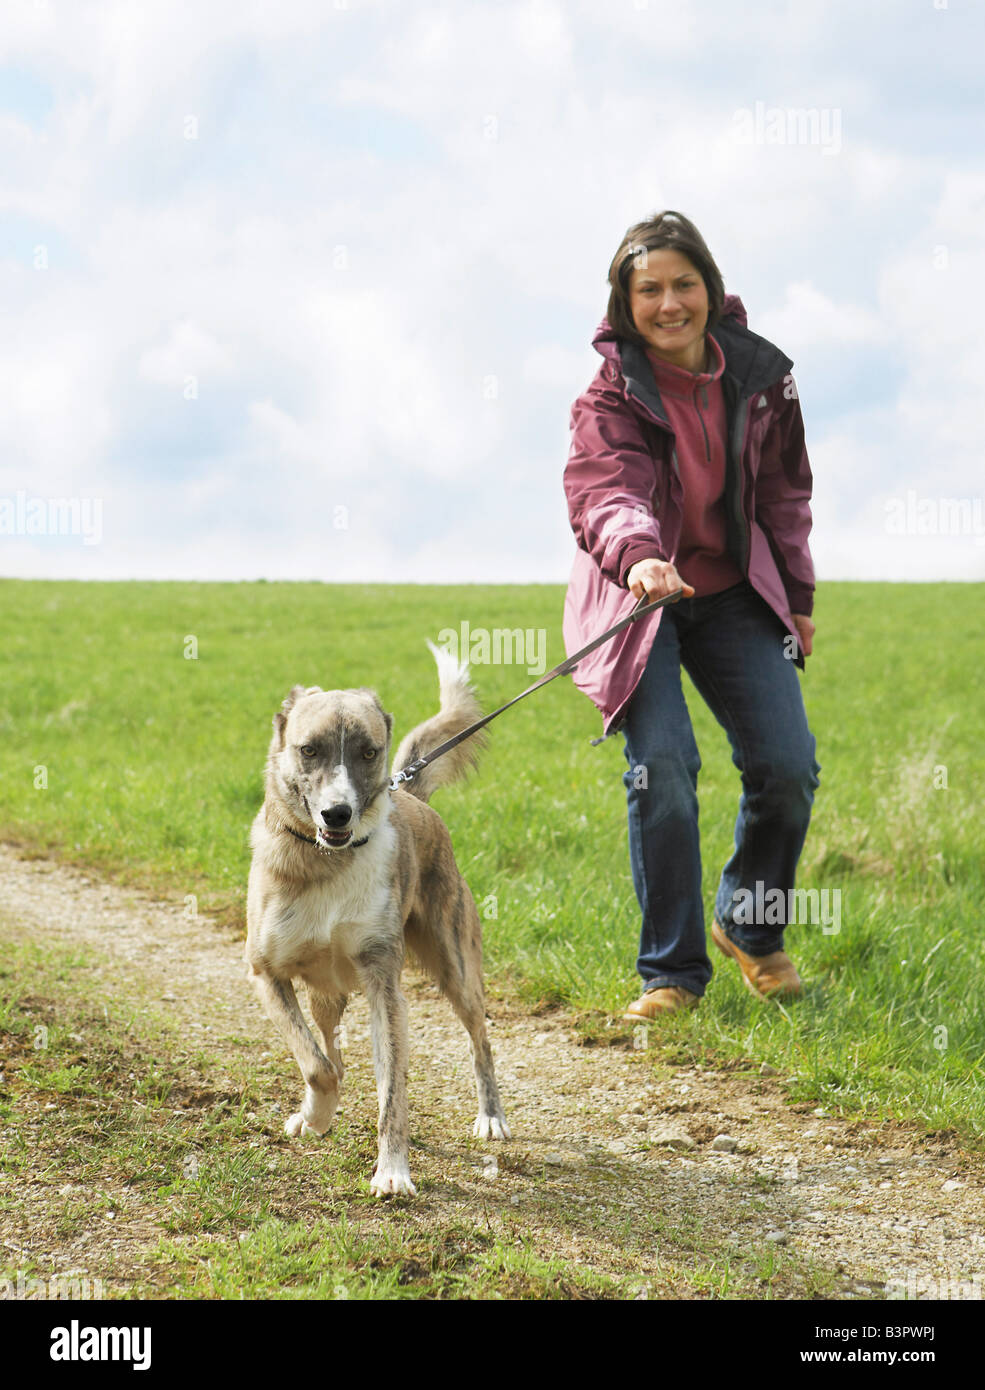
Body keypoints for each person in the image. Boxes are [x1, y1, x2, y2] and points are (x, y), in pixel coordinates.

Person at [562, 210, 821, 1020]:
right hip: (639, 599)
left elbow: (784, 495)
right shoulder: (608, 396)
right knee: (663, 770)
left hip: (734, 593)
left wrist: (798, 600)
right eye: (649, 290)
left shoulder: (760, 375)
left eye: (683, 284)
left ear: (710, 288)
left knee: (786, 765)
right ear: (624, 301)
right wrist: (639, 555)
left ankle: (750, 924)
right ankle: (669, 974)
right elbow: (605, 489)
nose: (669, 303)